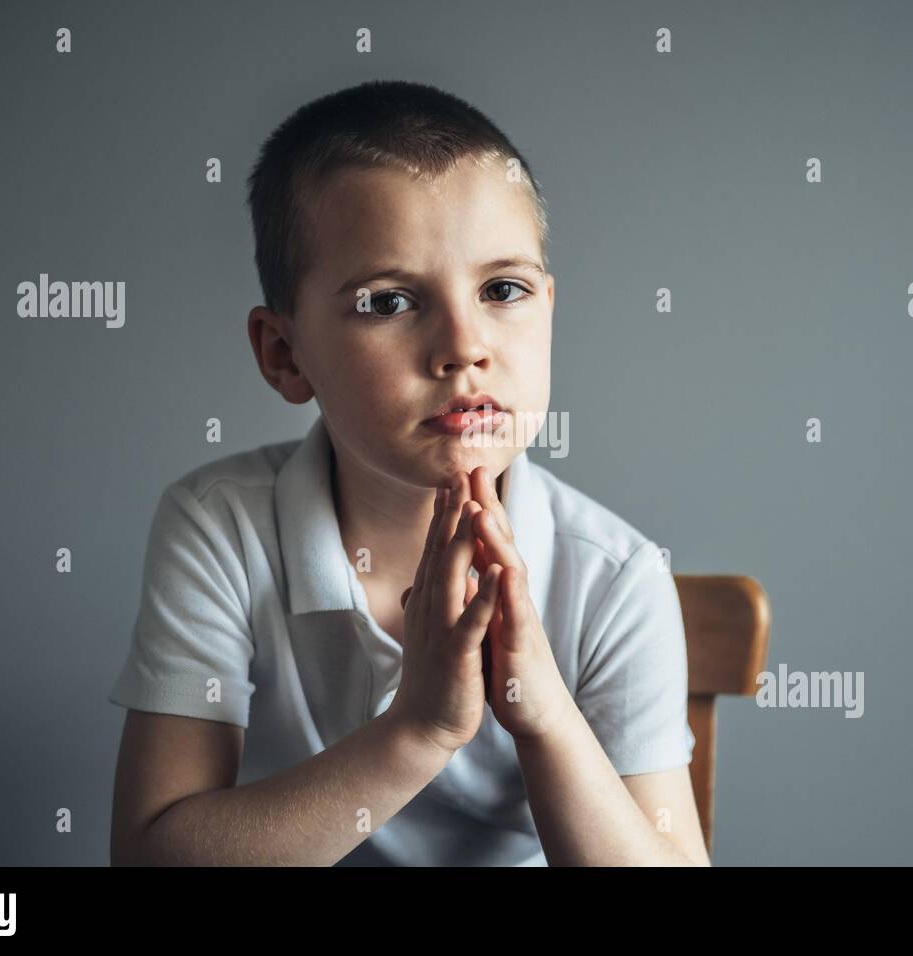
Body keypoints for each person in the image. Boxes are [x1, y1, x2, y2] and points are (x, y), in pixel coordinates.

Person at [107, 79, 708, 866]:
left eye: (503, 290)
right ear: (285, 355)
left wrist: (544, 712)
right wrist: (419, 730)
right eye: (388, 302)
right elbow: (149, 857)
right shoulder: (220, 528)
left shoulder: (614, 576)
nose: (464, 345)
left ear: (548, 308)